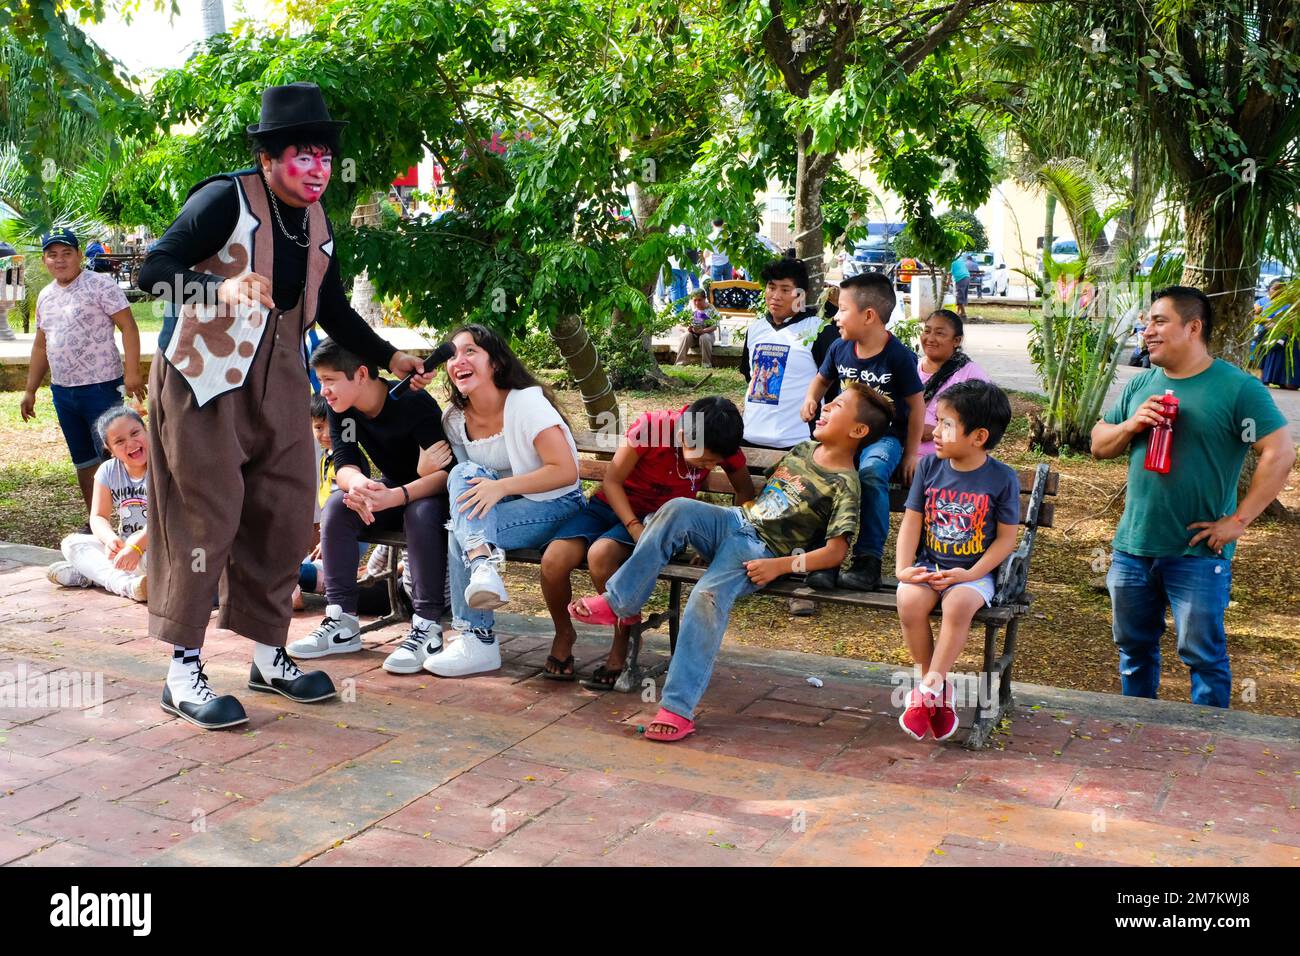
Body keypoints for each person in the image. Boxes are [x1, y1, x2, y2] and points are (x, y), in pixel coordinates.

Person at [136, 82, 435, 730]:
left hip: (277, 382)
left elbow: (329, 308)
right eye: (305, 154)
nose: (318, 168)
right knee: (204, 520)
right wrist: (217, 287)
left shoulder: (318, 221)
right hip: (202, 381)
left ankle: (270, 655)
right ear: (270, 158)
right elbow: (152, 270)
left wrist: (388, 358)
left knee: (287, 508)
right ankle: (182, 670)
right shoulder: (225, 200)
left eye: (325, 155)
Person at [568, 382, 892, 741]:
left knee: (705, 597)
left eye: (838, 405)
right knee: (675, 509)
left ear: (858, 430)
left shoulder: (845, 483)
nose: (826, 406)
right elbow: (761, 501)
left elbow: (835, 552)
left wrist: (779, 567)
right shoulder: (803, 449)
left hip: (760, 553)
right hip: (736, 522)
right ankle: (618, 602)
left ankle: (677, 709)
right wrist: (714, 536)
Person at [1091, 286, 1294, 709]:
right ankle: (1138, 729)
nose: (1147, 331)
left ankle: (1208, 746)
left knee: (1203, 657)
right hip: (1133, 548)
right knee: (1133, 651)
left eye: (1159, 321)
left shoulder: (1236, 389)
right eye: (1147, 322)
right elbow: (1098, 443)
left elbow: (1278, 451)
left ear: (1193, 327)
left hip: (1197, 552)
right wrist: (1131, 425)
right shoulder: (1143, 383)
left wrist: (1237, 521)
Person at [539, 396, 755, 685]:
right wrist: (632, 526)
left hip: (660, 522)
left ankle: (623, 643)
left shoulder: (717, 439)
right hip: (612, 507)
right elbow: (612, 481)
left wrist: (716, 542)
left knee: (601, 555)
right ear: (682, 435)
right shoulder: (652, 429)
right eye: (705, 460)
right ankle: (564, 633)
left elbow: (745, 493)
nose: (711, 465)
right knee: (553, 560)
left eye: (714, 462)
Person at [286, 341, 454, 674]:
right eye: (320, 381)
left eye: (330, 380)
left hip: (434, 495)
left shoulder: (413, 403)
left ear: (362, 374)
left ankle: (427, 627)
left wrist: (398, 495)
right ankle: (342, 622)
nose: (325, 391)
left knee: (419, 512)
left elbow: (445, 473)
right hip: (391, 490)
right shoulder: (341, 408)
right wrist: (360, 486)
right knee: (338, 506)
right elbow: (346, 462)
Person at [428, 324, 585, 678]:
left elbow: (565, 472)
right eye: (452, 355)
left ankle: (476, 638)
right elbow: (460, 484)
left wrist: (500, 488)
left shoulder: (527, 403)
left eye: (470, 351)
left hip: (557, 504)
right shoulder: (453, 419)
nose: (459, 360)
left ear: (495, 363)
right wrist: (423, 468)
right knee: (461, 476)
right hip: (501, 508)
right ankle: (483, 568)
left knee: (460, 532)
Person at [894, 380, 1020, 741]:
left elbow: (1006, 539)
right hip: (930, 564)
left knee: (959, 605)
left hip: (974, 574)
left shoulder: (1001, 478)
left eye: (947, 424)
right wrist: (904, 568)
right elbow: (912, 521)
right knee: (909, 599)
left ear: (978, 436)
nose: (935, 430)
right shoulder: (929, 467)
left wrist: (971, 572)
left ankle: (929, 689)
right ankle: (936, 691)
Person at [800, 271, 925, 592]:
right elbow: (822, 380)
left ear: (868, 315)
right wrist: (811, 399)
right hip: (844, 438)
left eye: (842, 309)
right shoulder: (840, 348)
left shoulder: (897, 356)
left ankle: (867, 559)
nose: (836, 315)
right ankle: (825, 558)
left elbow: (917, 406)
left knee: (870, 474)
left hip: (883, 439)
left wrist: (911, 453)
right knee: (827, 475)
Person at [740, 256, 841, 614]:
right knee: (750, 512)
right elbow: (748, 374)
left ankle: (805, 585)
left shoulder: (820, 332)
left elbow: (833, 389)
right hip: (751, 436)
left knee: (805, 516)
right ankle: (748, 567)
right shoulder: (756, 329)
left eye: (785, 289)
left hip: (796, 442)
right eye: (771, 288)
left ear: (802, 294)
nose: (776, 296)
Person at [21, 228, 145, 518]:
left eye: (66, 253)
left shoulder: (100, 285)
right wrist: (30, 389)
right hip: (64, 392)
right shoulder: (45, 296)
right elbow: (41, 346)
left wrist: (132, 372)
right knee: (84, 460)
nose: (60, 260)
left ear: (79, 255)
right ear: (44, 261)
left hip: (102, 387)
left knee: (120, 454)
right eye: (52, 255)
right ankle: (97, 522)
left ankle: (136, 521)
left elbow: (128, 327)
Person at [47, 406, 150, 603]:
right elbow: (99, 516)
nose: (130, 443)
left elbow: (167, 518)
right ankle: (127, 585)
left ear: (146, 431)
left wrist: (136, 548)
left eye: (135, 433)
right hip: (125, 548)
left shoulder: (164, 465)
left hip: (155, 547)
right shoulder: (108, 470)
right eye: (119, 441)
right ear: (109, 449)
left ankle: (92, 575)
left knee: (156, 561)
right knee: (71, 544)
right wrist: (111, 540)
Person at [915, 309, 991, 457]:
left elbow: (984, 423)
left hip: (948, 463)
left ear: (957, 340)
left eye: (939, 333)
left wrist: (939, 430)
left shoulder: (971, 374)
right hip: (904, 458)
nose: (930, 338)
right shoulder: (911, 368)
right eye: (927, 331)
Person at [1255, 279, 1299, 389]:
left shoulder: (1289, 305)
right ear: (1269, 290)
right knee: (1265, 338)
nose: (1278, 292)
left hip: (1283, 334)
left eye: (1281, 290)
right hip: (1265, 333)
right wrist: (1268, 322)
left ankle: (1286, 379)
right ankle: (1264, 376)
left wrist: (1278, 326)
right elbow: (1254, 317)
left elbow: (1291, 320)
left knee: (1290, 342)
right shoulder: (1261, 302)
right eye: (1275, 289)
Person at [675, 289, 719, 366]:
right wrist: (687, 329)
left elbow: (714, 326)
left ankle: (706, 364)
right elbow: (679, 325)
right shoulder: (689, 308)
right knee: (686, 335)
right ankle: (679, 363)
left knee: (704, 337)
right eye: (695, 300)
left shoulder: (711, 308)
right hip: (693, 336)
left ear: (704, 299)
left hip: (707, 336)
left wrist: (703, 330)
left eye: (699, 300)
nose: (697, 303)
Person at [950, 253, 971, 321]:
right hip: (967, 277)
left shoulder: (950, 262)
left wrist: (947, 282)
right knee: (962, 295)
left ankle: (963, 313)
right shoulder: (959, 259)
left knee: (959, 296)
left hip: (960, 278)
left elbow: (949, 274)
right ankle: (958, 312)